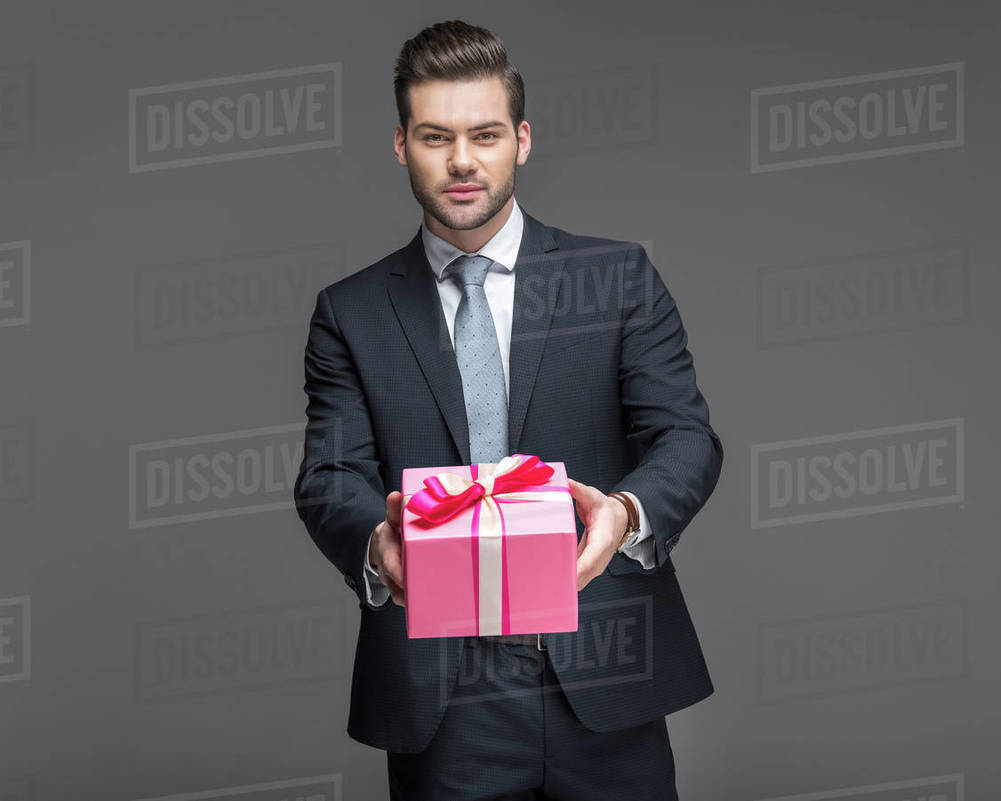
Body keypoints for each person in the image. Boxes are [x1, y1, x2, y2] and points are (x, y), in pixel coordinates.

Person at [294, 18, 723, 800]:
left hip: (605, 666)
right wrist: (381, 547)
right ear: (401, 145)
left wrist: (623, 516)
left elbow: (687, 439)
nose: (462, 160)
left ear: (521, 139)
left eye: (484, 134)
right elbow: (329, 476)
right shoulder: (349, 312)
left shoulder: (618, 279)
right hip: (443, 691)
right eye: (435, 137)